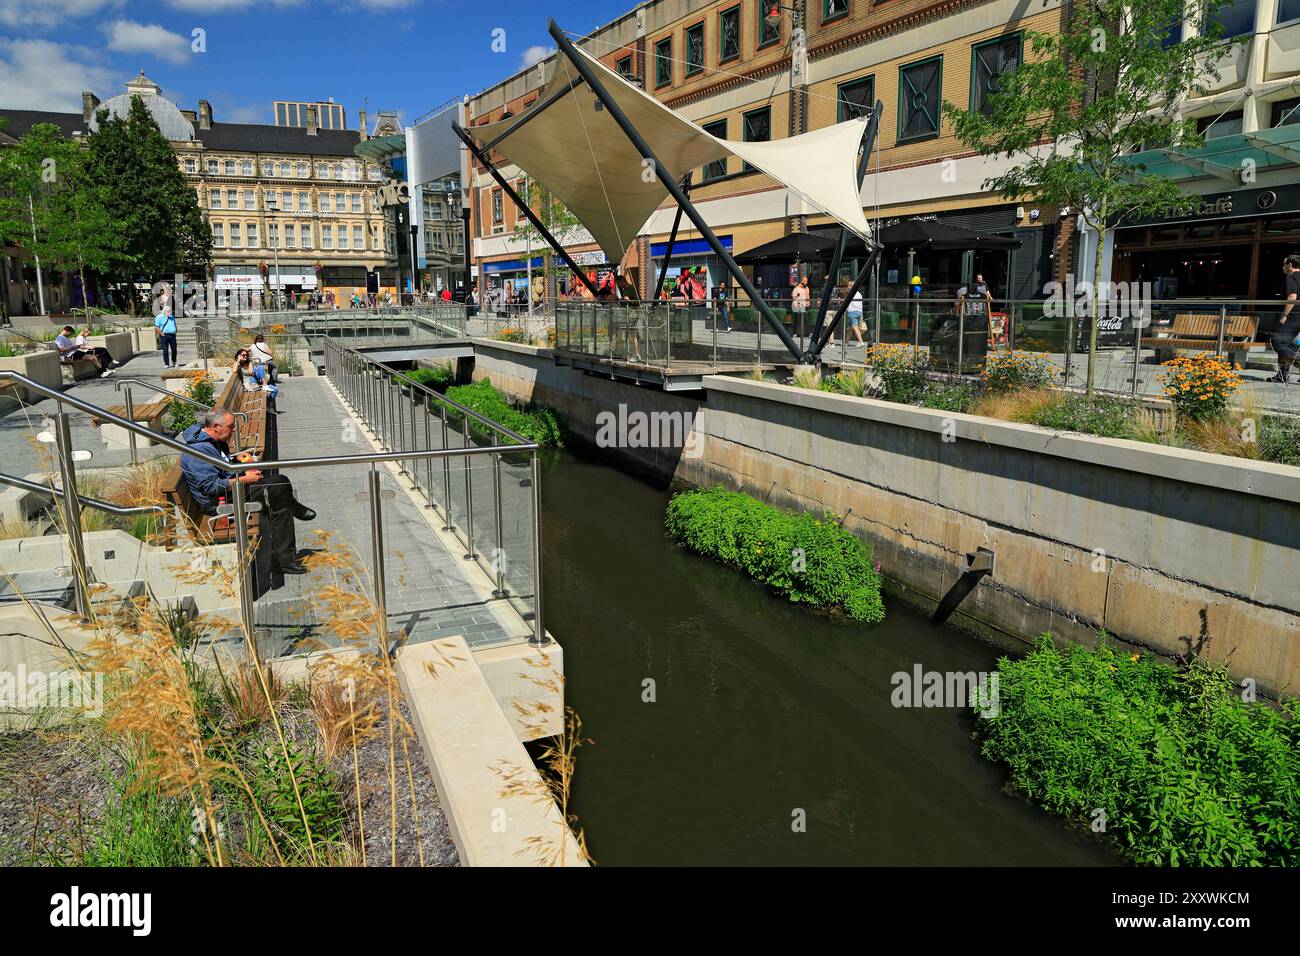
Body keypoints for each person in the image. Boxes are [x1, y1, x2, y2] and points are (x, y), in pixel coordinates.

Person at [180, 408, 314, 574]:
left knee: (279, 486)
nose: (234, 430)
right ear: (215, 426)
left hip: (230, 492)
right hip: (220, 504)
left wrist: (239, 462)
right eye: (230, 427)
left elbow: (221, 467)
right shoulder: (199, 451)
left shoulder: (210, 440)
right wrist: (245, 478)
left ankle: (286, 554)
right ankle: (285, 558)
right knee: (278, 492)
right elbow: (211, 487)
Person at [1270, 254, 1300, 383]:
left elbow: (1292, 297)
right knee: (1291, 346)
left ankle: (1297, 362)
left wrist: (1285, 315)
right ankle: (1282, 375)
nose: (1282, 267)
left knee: (1278, 342)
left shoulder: (1291, 277)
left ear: (1290, 265)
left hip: (1294, 317)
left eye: (1284, 264)